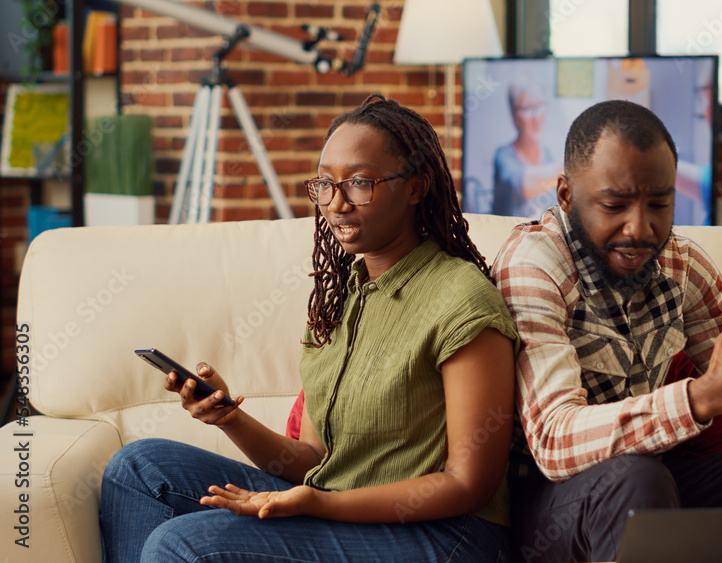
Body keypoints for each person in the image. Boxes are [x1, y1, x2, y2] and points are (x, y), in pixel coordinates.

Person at [99, 94, 518, 562]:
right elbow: (313, 462)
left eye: (359, 183)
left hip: (446, 536)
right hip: (340, 501)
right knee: (138, 469)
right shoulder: (343, 300)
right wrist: (230, 417)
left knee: (182, 545)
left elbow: (469, 484)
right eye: (324, 184)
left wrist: (321, 504)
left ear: (416, 188)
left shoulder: (461, 299)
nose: (335, 203)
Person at [491, 99, 722, 563]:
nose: (640, 228)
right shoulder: (534, 266)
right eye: (615, 205)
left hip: (654, 485)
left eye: (659, 204)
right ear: (566, 195)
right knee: (637, 478)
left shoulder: (682, 264)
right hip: (549, 506)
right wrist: (700, 398)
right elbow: (553, 438)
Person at [491, 73, 561, 217]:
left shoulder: (547, 154)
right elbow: (520, 186)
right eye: (528, 108)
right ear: (514, 116)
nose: (536, 116)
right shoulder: (503, 155)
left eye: (539, 105)